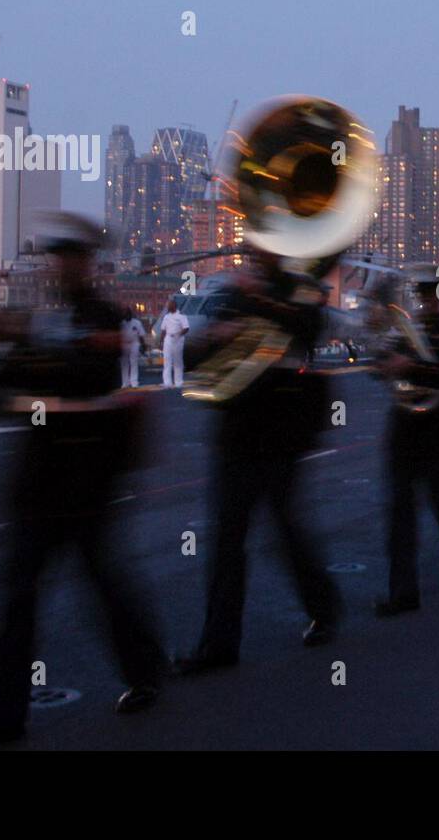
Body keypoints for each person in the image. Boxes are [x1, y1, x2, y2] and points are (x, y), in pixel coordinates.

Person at [0, 213, 165, 749]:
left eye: (69, 258)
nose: (61, 267)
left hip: (85, 479)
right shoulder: (44, 319)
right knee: (22, 597)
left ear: (87, 263)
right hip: (39, 479)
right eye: (57, 258)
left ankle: (145, 668)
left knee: (102, 585)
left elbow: (85, 376)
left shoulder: (103, 318)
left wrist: (21, 345)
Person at [176, 252, 341, 669]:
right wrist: (213, 337)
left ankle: (323, 608)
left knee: (285, 528)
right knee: (228, 539)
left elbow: (309, 330)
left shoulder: (299, 286)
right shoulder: (233, 292)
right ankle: (219, 645)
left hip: (281, 427)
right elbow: (194, 359)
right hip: (236, 429)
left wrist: (262, 299)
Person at [371, 264, 439, 616]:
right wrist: (381, 359)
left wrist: (409, 367)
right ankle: (403, 592)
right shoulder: (403, 332)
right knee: (400, 514)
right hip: (403, 429)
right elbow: (377, 366)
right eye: (421, 295)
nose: (425, 301)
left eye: (432, 294)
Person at [158, 299, 189, 387]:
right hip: (168, 339)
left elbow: (186, 328)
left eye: (169, 305)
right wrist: (161, 342)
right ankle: (167, 382)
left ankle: (178, 382)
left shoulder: (181, 316)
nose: (167, 307)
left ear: (174, 306)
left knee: (177, 361)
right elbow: (163, 330)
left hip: (178, 339)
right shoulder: (166, 317)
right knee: (166, 361)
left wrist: (179, 334)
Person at [120, 308, 146, 388]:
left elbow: (141, 335)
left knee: (133, 363)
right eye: (126, 314)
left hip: (134, 343)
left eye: (129, 314)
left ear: (131, 314)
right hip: (124, 344)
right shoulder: (121, 323)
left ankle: (134, 382)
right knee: (124, 364)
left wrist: (143, 345)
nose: (127, 316)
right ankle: (125, 383)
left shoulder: (137, 323)